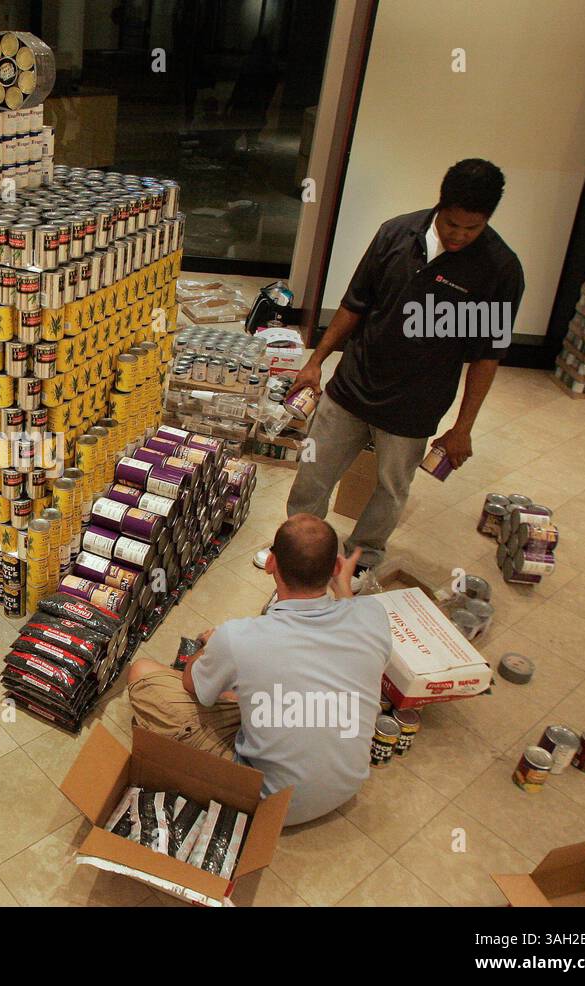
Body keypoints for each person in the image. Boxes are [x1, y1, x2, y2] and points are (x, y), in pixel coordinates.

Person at [255, 159, 525, 584]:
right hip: (354, 384)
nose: (458, 235)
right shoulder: (397, 233)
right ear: (441, 205)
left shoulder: (499, 269)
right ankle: (294, 548)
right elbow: (354, 305)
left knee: (391, 489)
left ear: (488, 220)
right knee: (313, 472)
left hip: (415, 404)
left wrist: (464, 426)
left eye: (471, 229)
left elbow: (486, 356)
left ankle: (363, 555)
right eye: (452, 224)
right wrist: (315, 362)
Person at [127, 514, 391, 826]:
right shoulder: (374, 615)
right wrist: (344, 587)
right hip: (347, 785)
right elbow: (351, 616)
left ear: (270, 564)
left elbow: (191, 685)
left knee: (142, 672)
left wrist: (210, 646)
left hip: (272, 803)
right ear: (335, 568)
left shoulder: (238, 638)